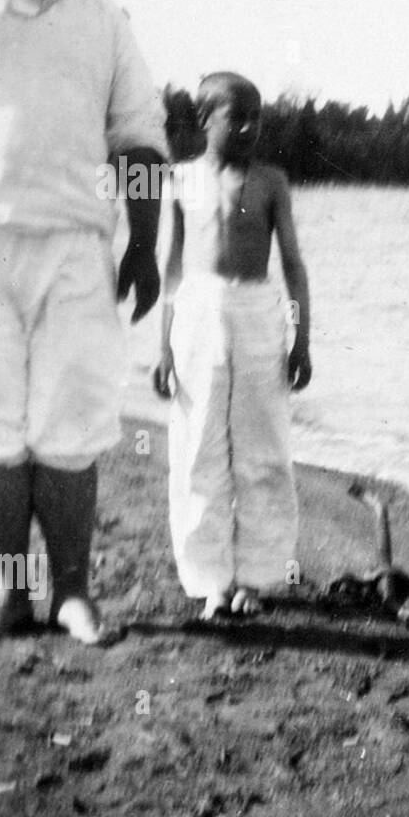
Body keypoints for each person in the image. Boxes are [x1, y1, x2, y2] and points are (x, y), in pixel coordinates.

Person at [0, 0, 167, 644]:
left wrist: (145, 245)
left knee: (68, 426)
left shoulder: (105, 20)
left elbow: (139, 140)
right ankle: (7, 596)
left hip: (78, 246)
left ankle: (73, 593)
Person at [153, 72, 312, 619]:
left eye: (256, 117)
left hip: (257, 312)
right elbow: (171, 267)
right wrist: (163, 346)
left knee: (263, 448)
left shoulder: (271, 182)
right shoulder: (180, 179)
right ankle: (210, 580)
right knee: (198, 447)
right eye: (236, 116)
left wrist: (302, 338)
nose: (249, 127)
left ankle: (257, 576)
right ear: (204, 119)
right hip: (197, 312)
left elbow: (293, 264)